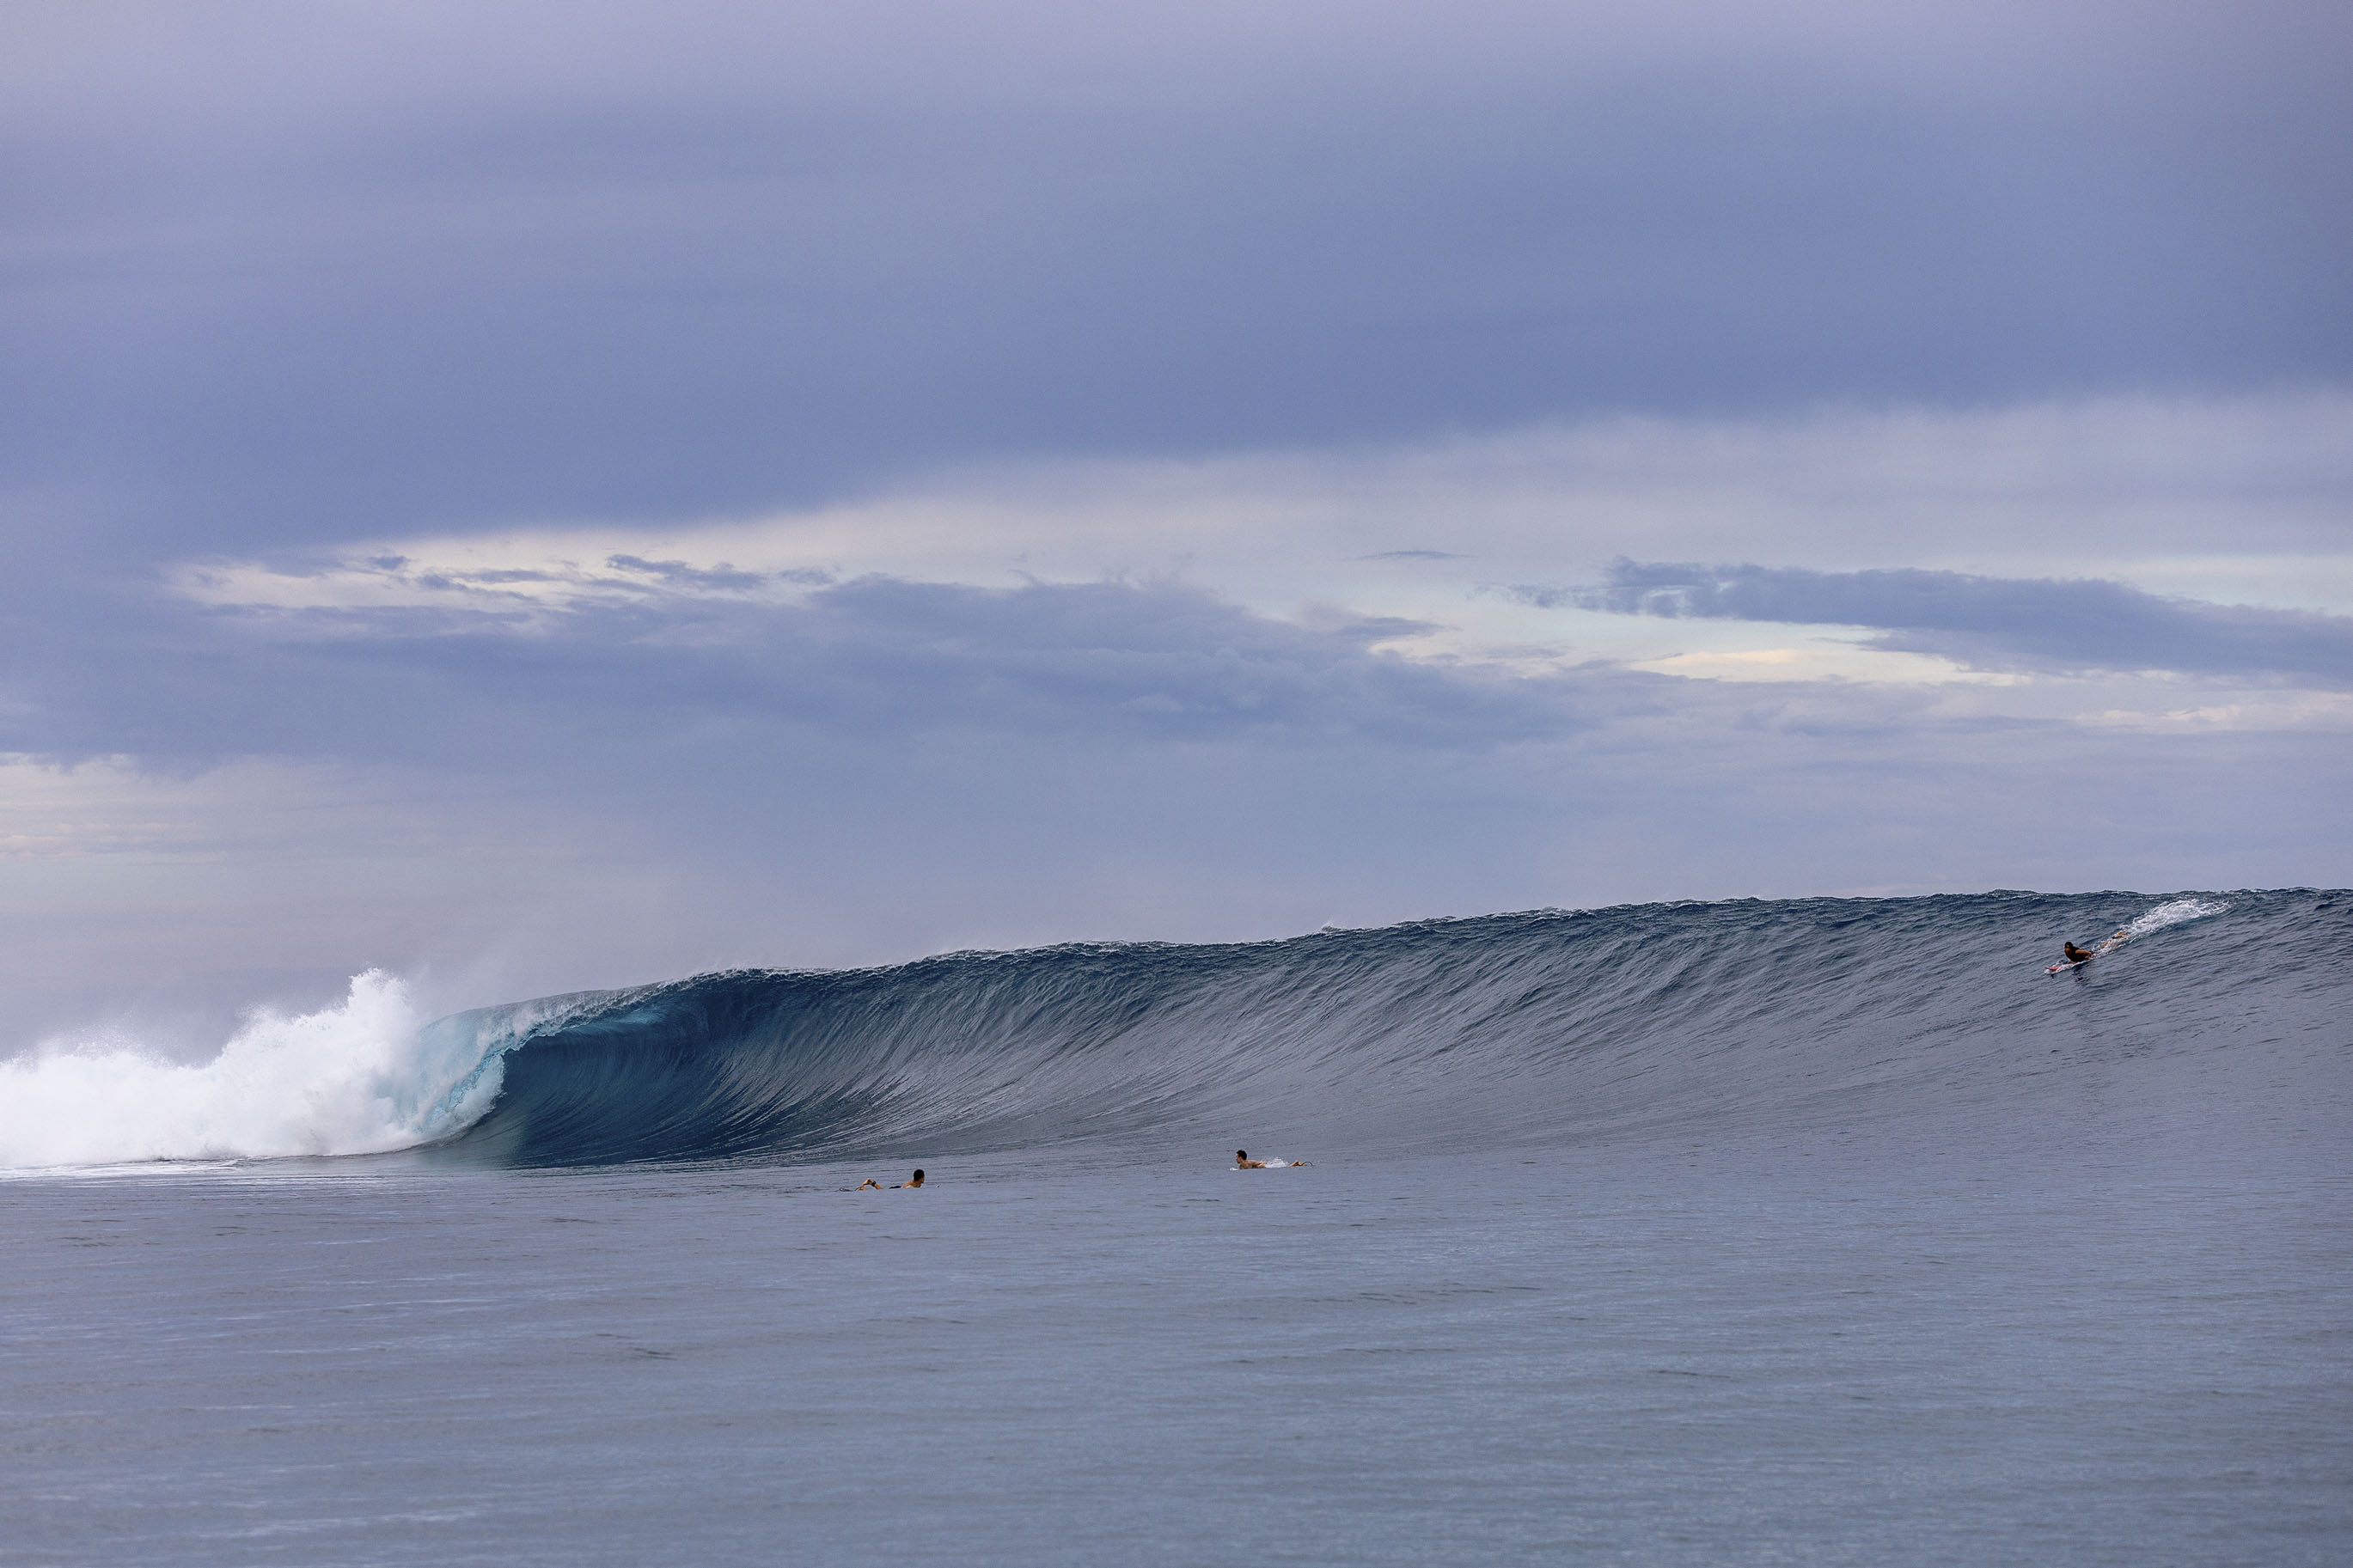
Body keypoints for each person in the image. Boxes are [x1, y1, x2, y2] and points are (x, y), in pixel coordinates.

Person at [1234, 1150, 1306, 1168]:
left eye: (1236, 1157)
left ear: (1240, 1158)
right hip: (1262, 1168)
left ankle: (1295, 1163)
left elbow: (1262, 1163)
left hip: (1265, 1166)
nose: (1235, 1159)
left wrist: (1261, 1166)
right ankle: (1296, 1164)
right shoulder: (1241, 1167)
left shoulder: (1248, 1163)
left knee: (1285, 1168)